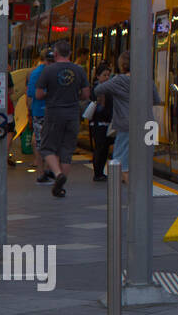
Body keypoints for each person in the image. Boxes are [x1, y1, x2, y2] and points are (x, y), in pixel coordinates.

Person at [94, 50, 161, 186]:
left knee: (120, 164)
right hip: (150, 125)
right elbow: (156, 100)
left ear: (122, 65)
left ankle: (137, 197)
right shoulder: (147, 79)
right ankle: (144, 194)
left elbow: (98, 90)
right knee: (145, 164)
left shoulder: (119, 80)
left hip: (128, 125)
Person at [34, 39, 90, 198]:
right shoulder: (79, 70)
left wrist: (50, 94)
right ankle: (60, 188)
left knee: (46, 147)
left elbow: (38, 94)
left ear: (55, 54)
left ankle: (58, 174)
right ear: (70, 54)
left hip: (53, 114)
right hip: (72, 115)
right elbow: (86, 94)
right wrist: (73, 96)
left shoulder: (48, 70)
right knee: (67, 151)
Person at [26, 48, 54, 183]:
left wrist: (29, 112)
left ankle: (42, 172)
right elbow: (33, 93)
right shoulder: (49, 72)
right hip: (49, 111)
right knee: (49, 142)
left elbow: (30, 94)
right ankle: (45, 171)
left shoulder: (35, 72)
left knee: (40, 142)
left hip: (39, 111)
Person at [88, 63, 113, 182]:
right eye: (105, 75)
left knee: (104, 149)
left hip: (105, 123)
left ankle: (100, 172)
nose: (107, 77)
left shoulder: (107, 89)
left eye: (109, 75)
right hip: (99, 124)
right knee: (100, 148)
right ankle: (98, 173)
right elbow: (99, 109)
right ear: (98, 76)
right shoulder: (97, 89)